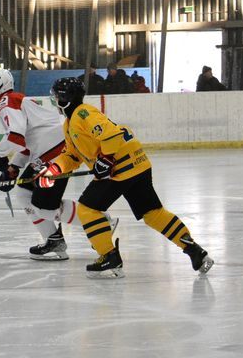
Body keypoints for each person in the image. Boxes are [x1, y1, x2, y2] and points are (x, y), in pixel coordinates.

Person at [38, 77, 215, 278]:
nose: (54, 101)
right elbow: (72, 155)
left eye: (55, 97)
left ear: (64, 99)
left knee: (87, 209)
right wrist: (52, 170)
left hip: (120, 169)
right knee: (153, 213)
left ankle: (109, 256)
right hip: (137, 164)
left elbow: (112, 135)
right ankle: (195, 251)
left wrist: (106, 160)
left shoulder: (83, 114)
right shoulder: (70, 123)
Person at [0, 69, 80, 260]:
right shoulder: (13, 101)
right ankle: (54, 239)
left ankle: (100, 223)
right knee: (25, 193)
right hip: (49, 149)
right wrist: (13, 167)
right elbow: (25, 143)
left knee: (44, 205)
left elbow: (15, 135)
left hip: (54, 150)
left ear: (1, 87)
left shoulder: (6, 102)